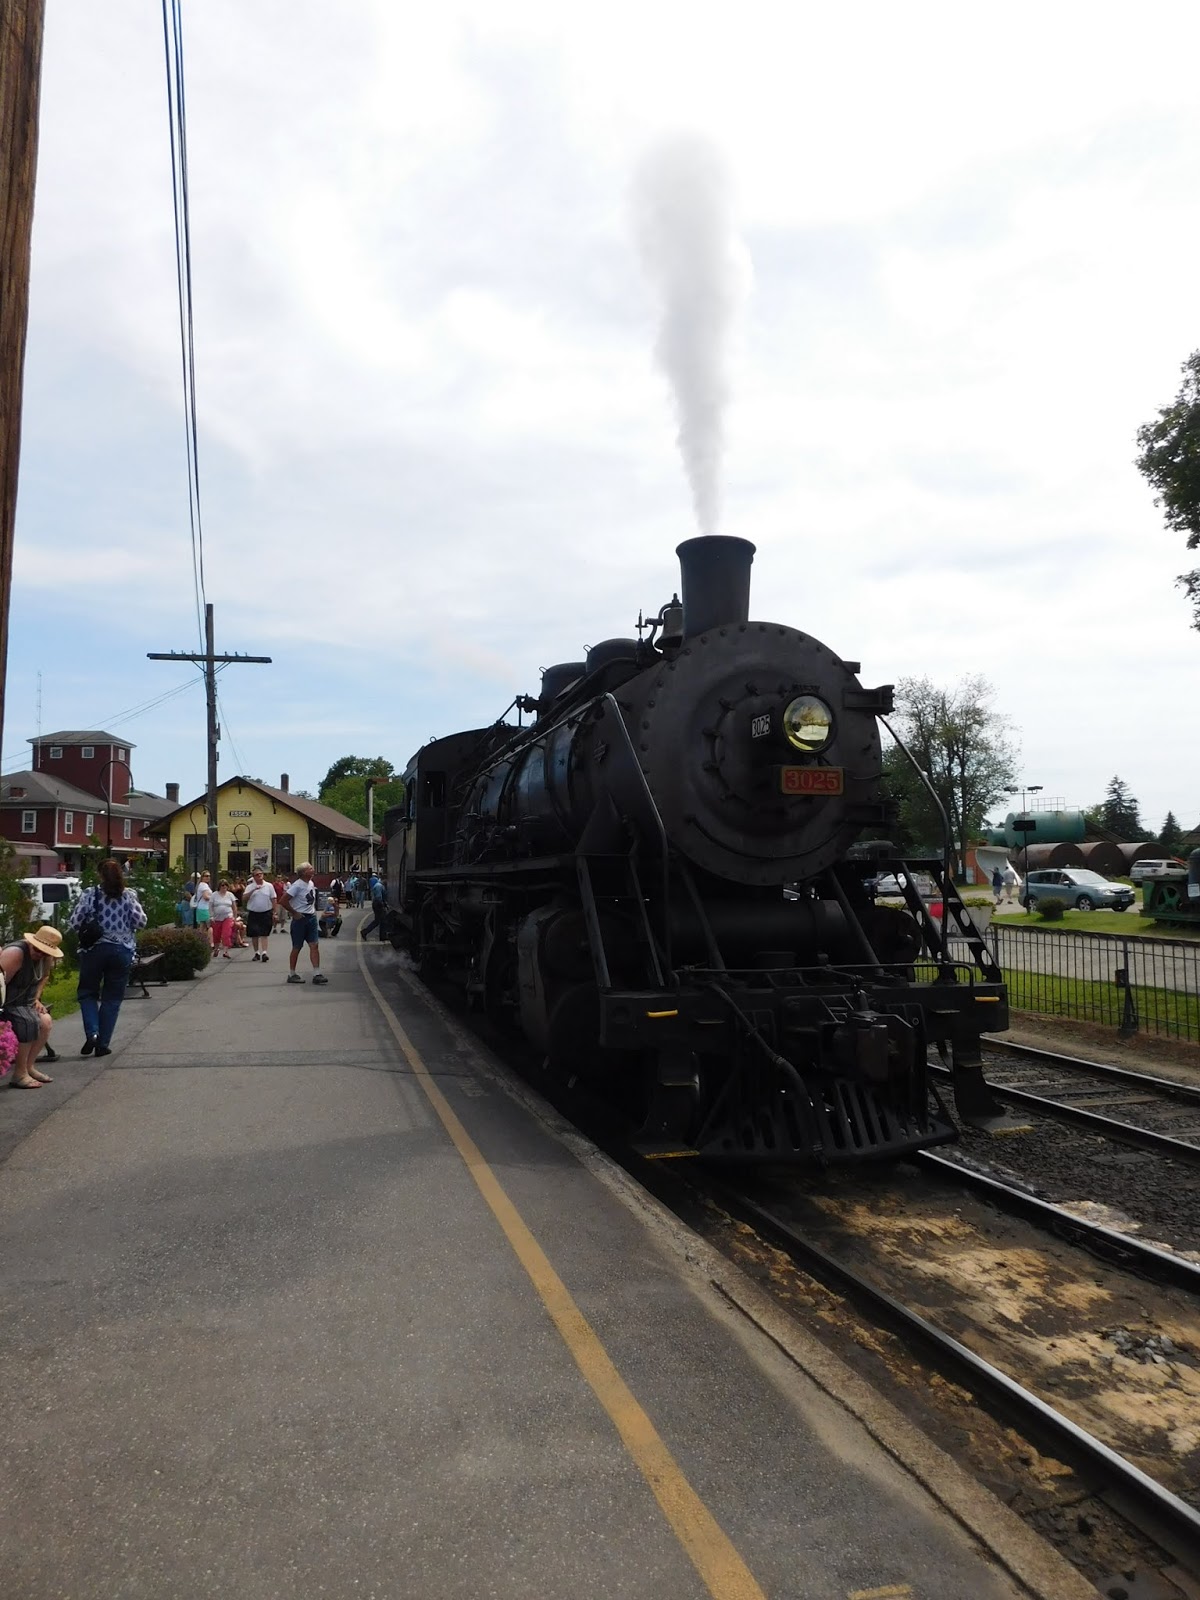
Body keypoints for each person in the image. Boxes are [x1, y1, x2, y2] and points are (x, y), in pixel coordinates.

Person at [68, 859, 148, 1057]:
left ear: (100, 875)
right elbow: (141, 921)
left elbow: (75, 922)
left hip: (94, 950)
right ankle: (103, 1044)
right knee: (112, 998)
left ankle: (92, 1032)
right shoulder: (128, 896)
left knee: (87, 992)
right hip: (122, 950)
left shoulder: (90, 894)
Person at [0, 925, 64, 1087]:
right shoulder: (15, 954)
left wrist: (36, 998)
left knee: (45, 1021)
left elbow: (45, 976)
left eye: (44, 952)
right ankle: (19, 1074)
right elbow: (0, 983)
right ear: (31, 942)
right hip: (6, 1002)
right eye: (37, 949)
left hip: (24, 1002)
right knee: (28, 1021)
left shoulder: (46, 956)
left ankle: (28, 1067)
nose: (40, 954)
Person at [284, 863, 327, 985]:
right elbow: (283, 900)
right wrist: (294, 913)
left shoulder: (311, 883)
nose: (313, 870)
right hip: (300, 918)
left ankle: (317, 973)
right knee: (297, 947)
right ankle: (292, 973)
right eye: (310, 869)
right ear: (303, 873)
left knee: (314, 945)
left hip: (311, 917)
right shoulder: (297, 885)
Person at [242, 868, 277, 962]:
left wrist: (275, 912)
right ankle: (256, 952)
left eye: (261, 874)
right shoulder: (250, 886)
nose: (259, 876)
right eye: (257, 875)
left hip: (266, 912)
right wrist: (253, 890)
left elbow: (273, 899)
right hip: (254, 913)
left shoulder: (269, 886)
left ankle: (264, 952)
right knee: (254, 933)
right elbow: (244, 898)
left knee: (264, 933)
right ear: (253, 877)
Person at [209, 879, 237, 958]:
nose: (224, 887)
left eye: (225, 885)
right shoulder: (214, 895)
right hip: (217, 918)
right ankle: (216, 949)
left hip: (227, 916)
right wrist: (211, 916)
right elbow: (210, 906)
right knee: (216, 935)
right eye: (222, 885)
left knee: (226, 934)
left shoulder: (230, 895)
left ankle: (225, 951)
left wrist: (234, 917)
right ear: (219, 886)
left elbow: (234, 907)